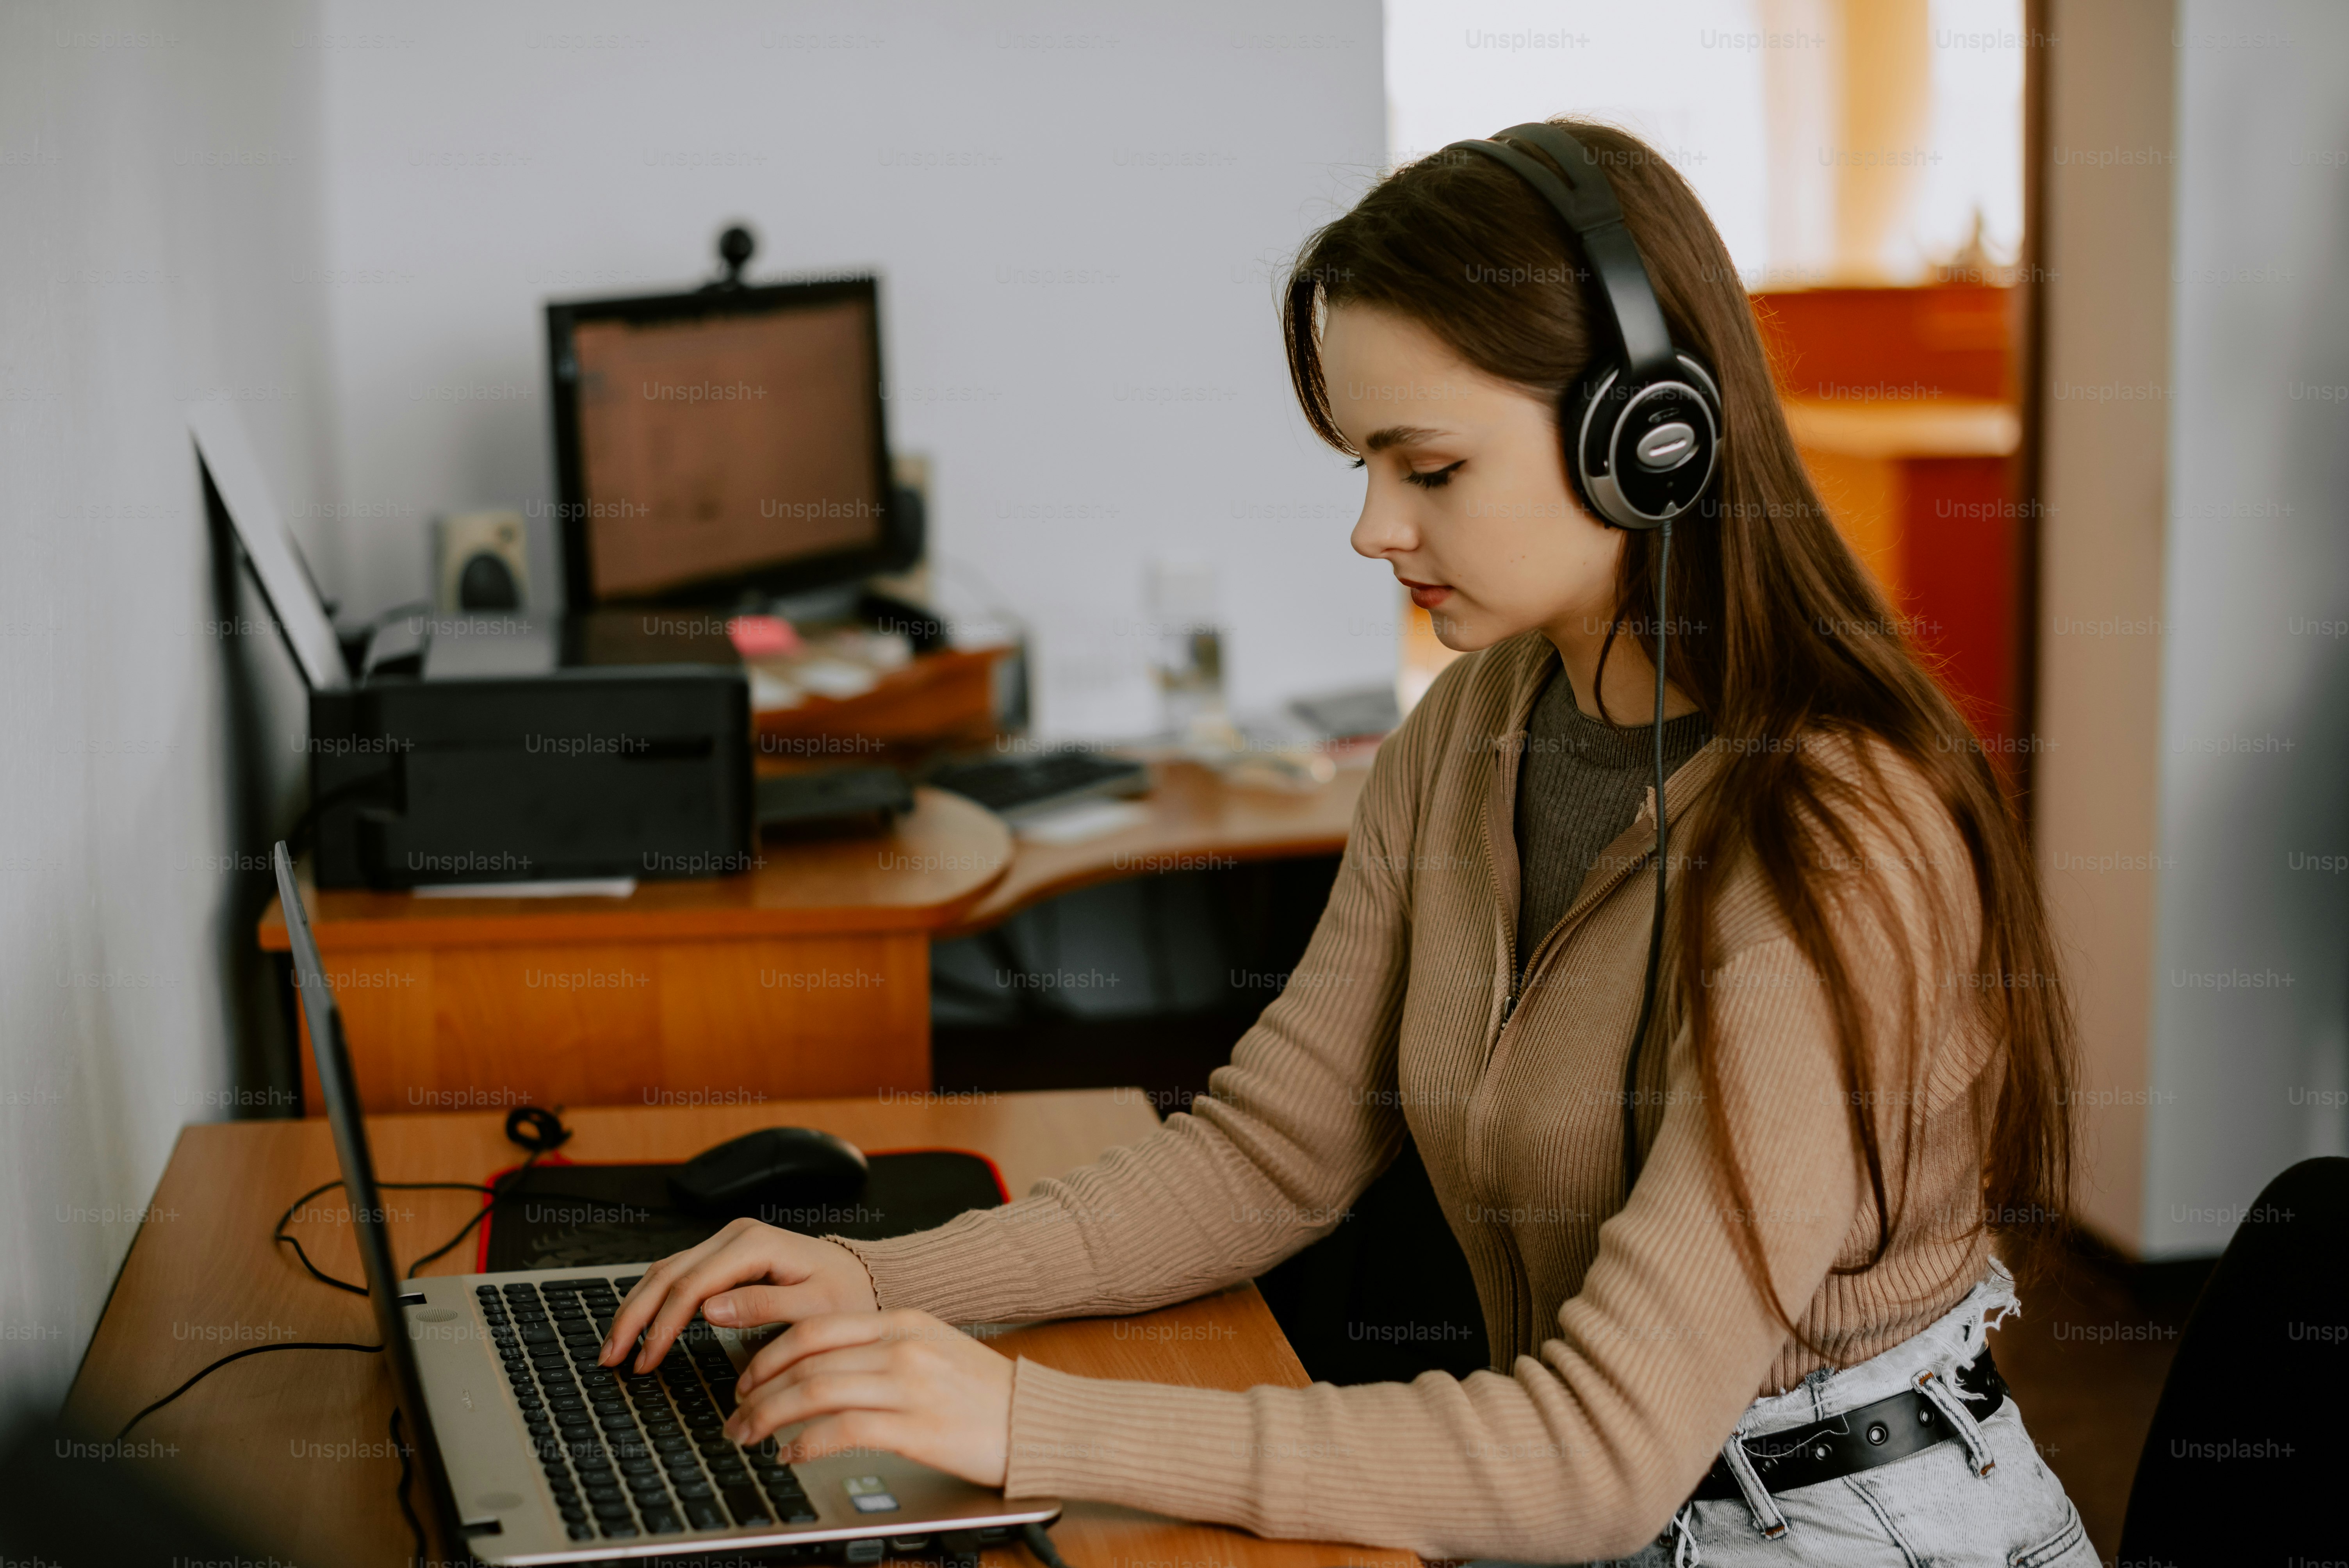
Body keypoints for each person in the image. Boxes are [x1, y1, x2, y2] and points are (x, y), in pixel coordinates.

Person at [599, 119, 2090, 1566]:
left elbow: (1596, 1458)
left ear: (1651, 438)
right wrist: (874, 1283)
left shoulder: (1832, 843)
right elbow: (1269, 1158)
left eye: (1429, 469)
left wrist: (1024, 1422)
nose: (1375, 528)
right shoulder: (1466, 738)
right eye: (1361, 466)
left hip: (1836, 1526)